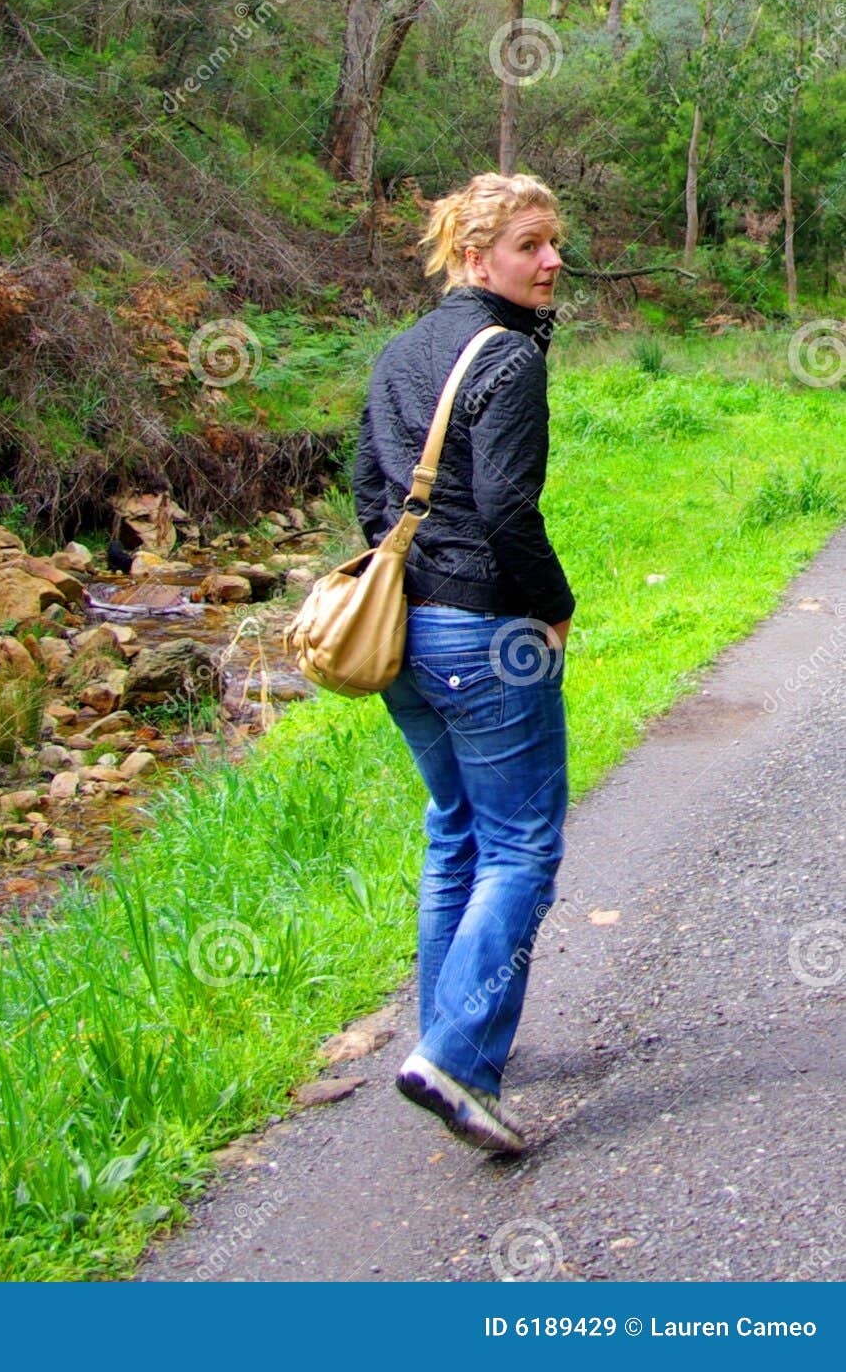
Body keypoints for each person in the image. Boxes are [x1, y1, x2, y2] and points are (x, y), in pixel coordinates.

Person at [351, 171, 575, 1156]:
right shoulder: (508, 356)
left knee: (454, 832)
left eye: (553, 242)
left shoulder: (402, 350)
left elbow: (368, 487)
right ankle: (456, 1058)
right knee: (520, 845)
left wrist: (413, 586)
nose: (551, 260)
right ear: (475, 256)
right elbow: (504, 508)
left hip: (404, 633)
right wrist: (553, 608)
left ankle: (442, 1038)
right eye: (529, 244)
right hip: (484, 633)